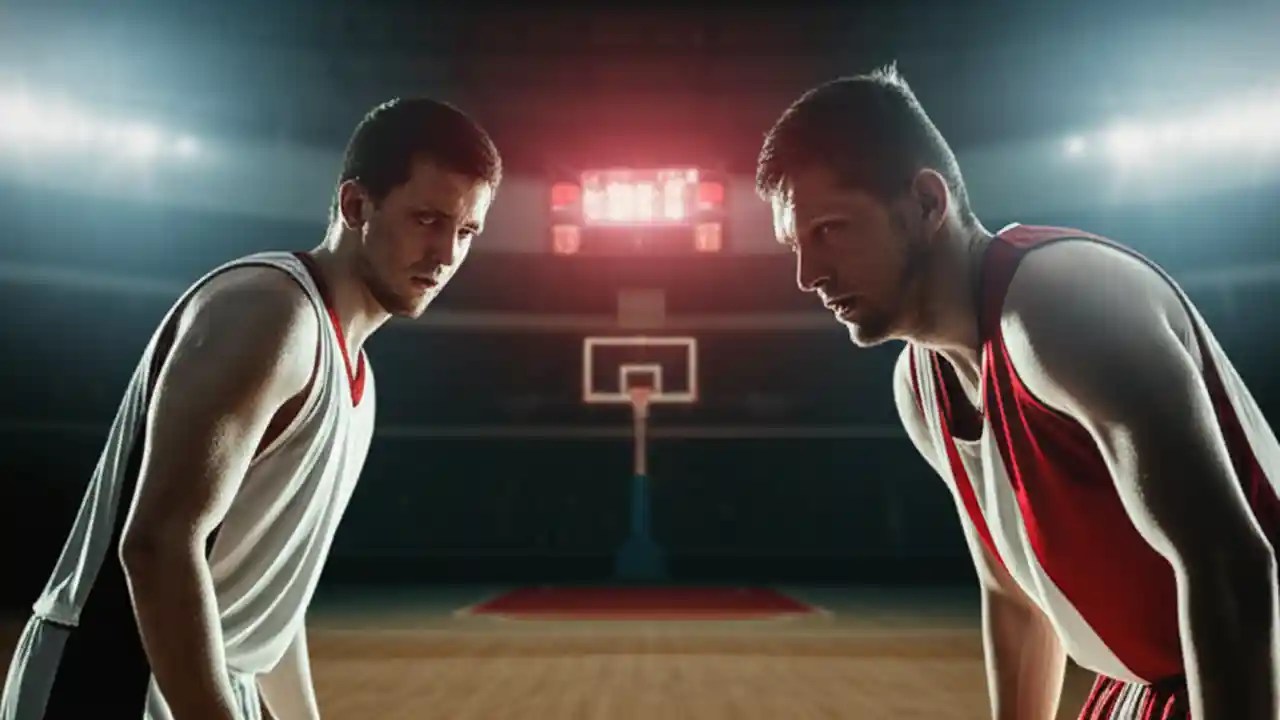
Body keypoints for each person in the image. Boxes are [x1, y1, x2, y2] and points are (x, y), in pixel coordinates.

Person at [756, 64, 1280, 719]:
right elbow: (1017, 599)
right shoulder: (921, 384)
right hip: (1156, 679)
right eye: (795, 244)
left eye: (829, 230)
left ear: (927, 203)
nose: (807, 274)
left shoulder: (1059, 302)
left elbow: (1229, 563)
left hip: (1259, 657)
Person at [1, 97, 501, 719]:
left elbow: (270, 613)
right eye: (427, 219)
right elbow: (157, 546)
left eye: (466, 231)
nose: (447, 252)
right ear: (355, 206)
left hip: (207, 678)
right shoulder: (272, 311)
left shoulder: (358, 380)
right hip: (111, 672)